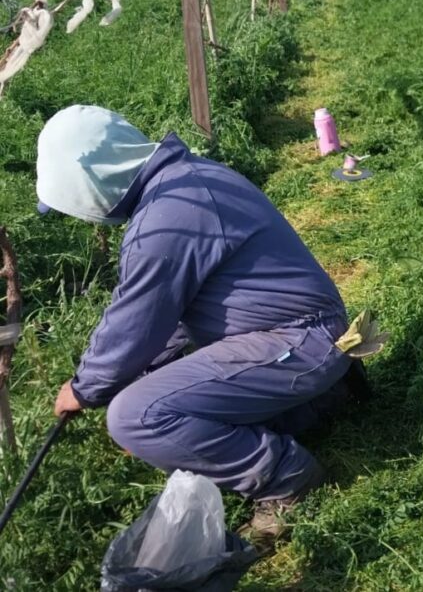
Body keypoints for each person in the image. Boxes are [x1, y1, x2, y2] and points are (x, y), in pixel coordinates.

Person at [37, 104, 365, 547]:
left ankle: (286, 478)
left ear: (88, 181)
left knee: (135, 416)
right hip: (304, 337)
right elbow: (170, 318)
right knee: (147, 398)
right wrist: (138, 377)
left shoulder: (165, 218)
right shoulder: (185, 181)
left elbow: (135, 321)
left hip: (300, 341)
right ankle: (322, 401)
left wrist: (85, 389)